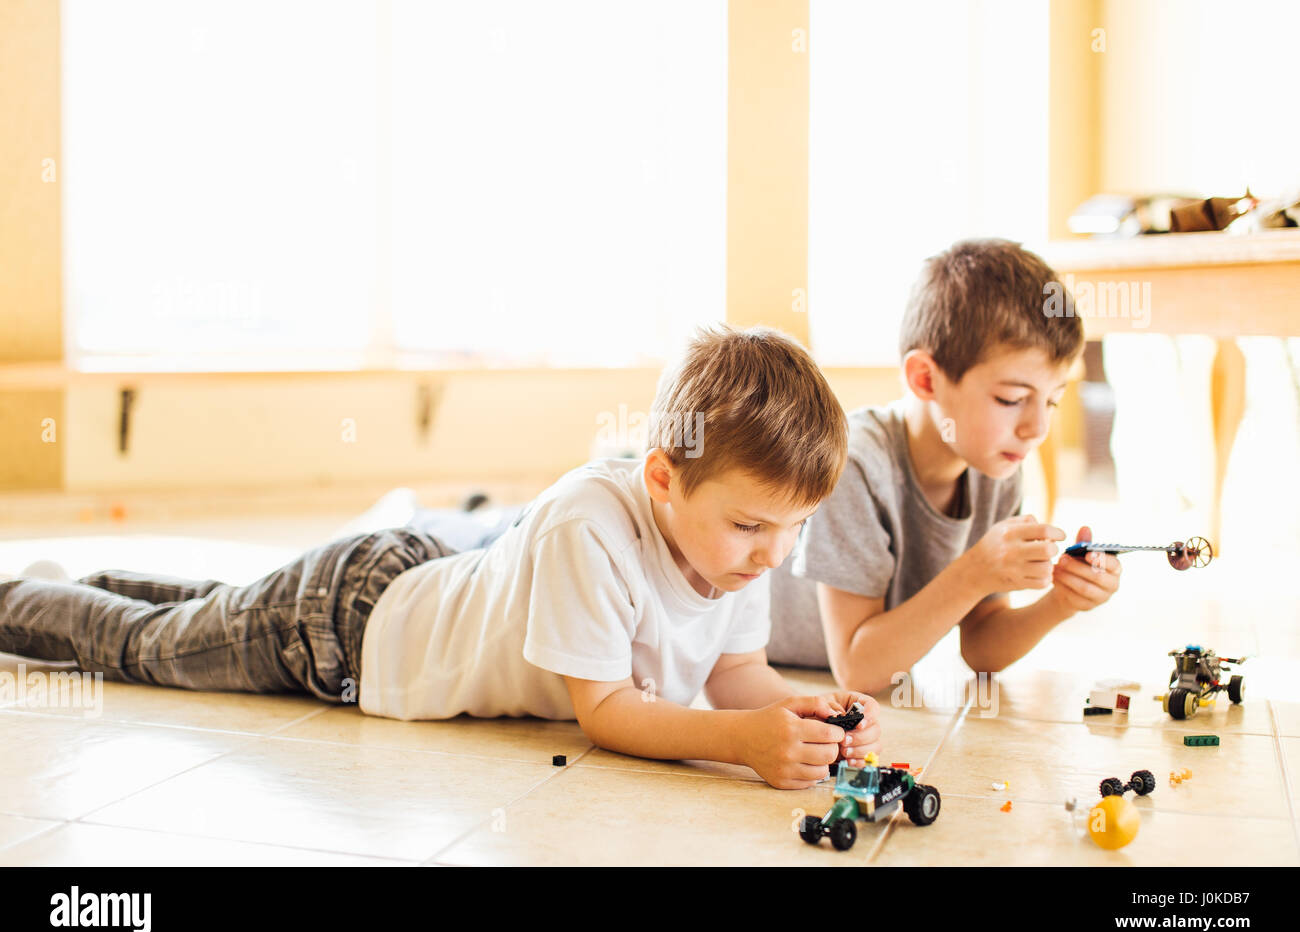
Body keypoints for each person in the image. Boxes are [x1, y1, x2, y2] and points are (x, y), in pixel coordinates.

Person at [0, 326, 877, 790]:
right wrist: (742, 747)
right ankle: (18, 600)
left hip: (406, 576)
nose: (775, 554)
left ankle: (74, 591)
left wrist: (805, 716)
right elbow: (607, 713)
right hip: (346, 631)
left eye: (794, 528)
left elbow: (737, 678)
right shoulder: (592, 525)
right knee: (152, 651)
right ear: (663, 478)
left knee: (199, 614)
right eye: (753, 527)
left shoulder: (737, 554)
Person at [767, 238, 1123, 691]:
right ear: (925, 378)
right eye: (1011, 399)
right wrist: (974, 572)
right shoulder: (857, 466)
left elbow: (981, 651)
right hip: (767, 654)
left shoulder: (995, 468)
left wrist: (1061, 602)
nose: (1036, 428)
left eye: (1052, 401)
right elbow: (859, 670)